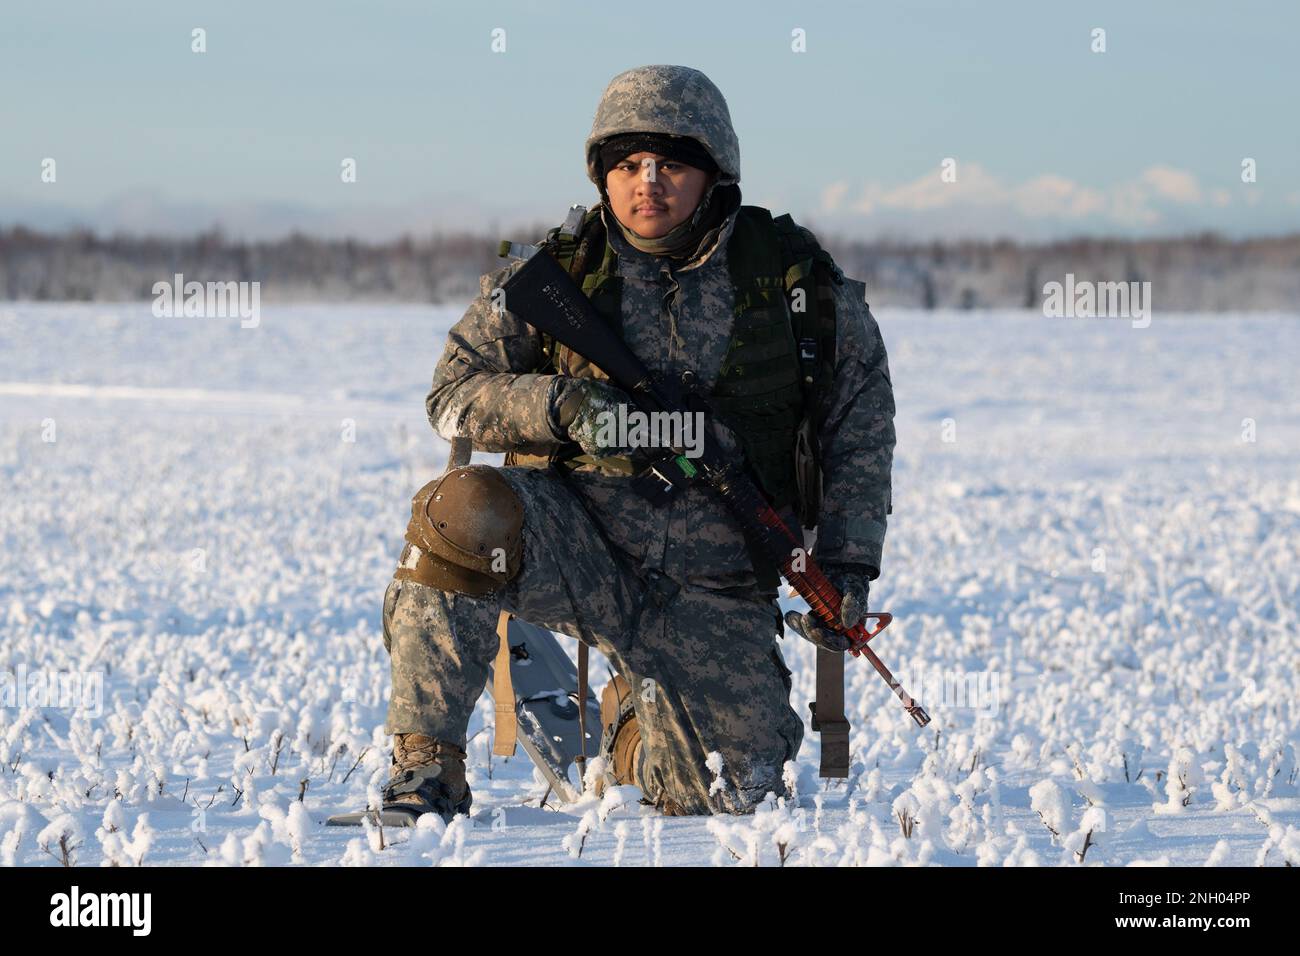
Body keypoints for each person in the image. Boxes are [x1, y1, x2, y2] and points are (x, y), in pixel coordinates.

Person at [378, 64, 895, 819]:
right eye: (627, 165)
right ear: (602, 177)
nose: (647, 182)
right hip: (578, 545)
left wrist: (847, 564)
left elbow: (860, 424)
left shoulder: (795, 283)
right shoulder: (558, 273)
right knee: (460, 511)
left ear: (713, 174)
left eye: (670, 164)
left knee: (737, 794)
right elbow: (451, 398)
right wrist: (561, 406)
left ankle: (626, 726)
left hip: (717, 581)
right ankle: (426, 772)